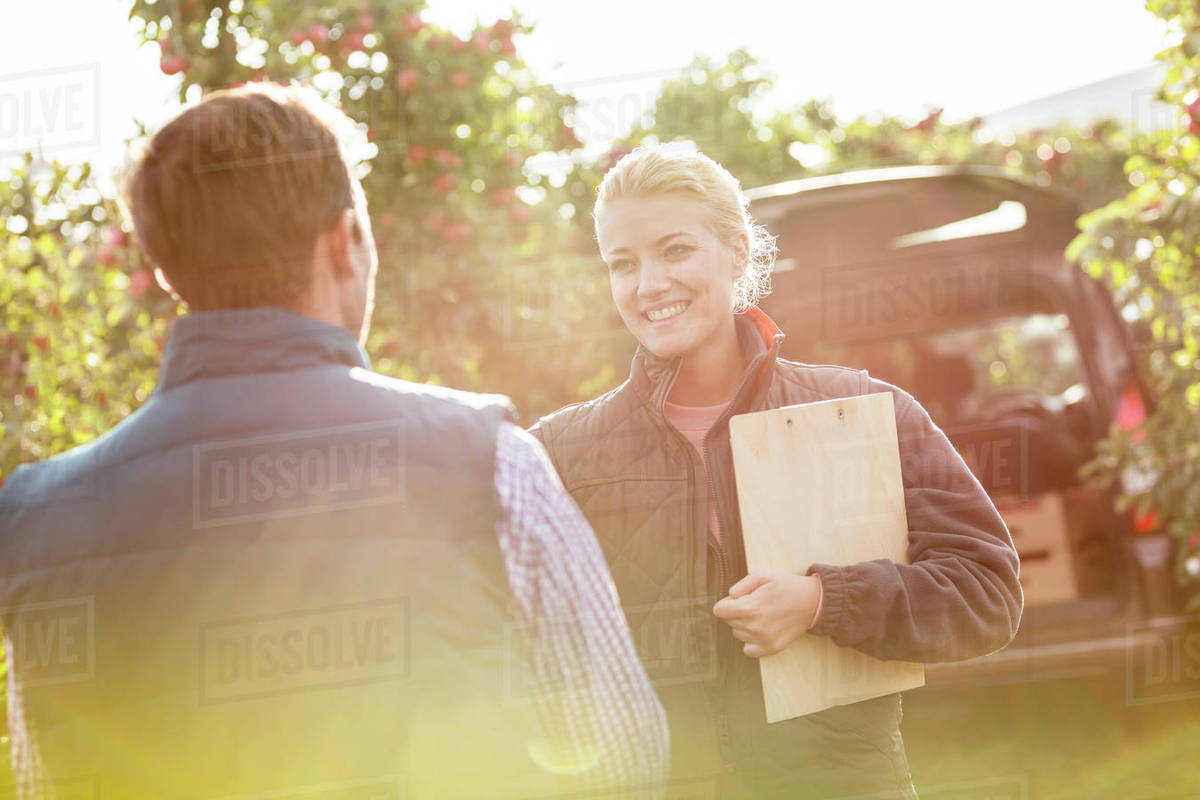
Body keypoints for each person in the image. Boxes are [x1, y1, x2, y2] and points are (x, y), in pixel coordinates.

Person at [0, 84, 667, 799]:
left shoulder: (33, 518)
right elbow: (627, 760)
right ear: (343, 242)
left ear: (166, 272)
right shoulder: (488, 462)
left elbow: (43, 781)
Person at [529, 145, 1023, 799]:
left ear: (737, 253)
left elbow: (987, 594)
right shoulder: (559, 454)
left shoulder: (865, 411)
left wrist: (825, 601)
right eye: (623, 263)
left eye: (675, 250)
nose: (648, 284)